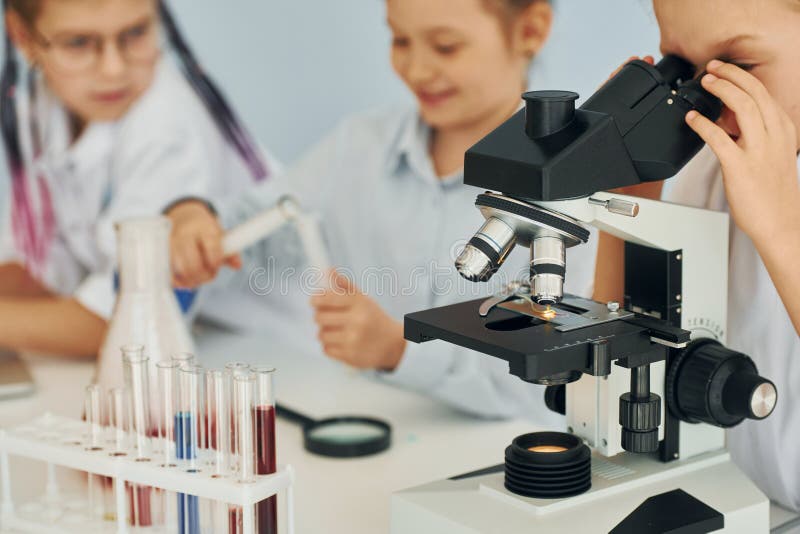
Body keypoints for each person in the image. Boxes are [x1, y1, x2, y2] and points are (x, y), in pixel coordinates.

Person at [168, 0, 596, 423]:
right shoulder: (360, 146)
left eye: (446, 46)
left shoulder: (573, 191)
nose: (416, 70)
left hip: (499, 459)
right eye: (400, 39)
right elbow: (256, 232)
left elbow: (550, 377)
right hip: (368, 430)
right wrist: (195, 218)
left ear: (530, 31)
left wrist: (398, 350)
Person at [594, 0, 800, 512]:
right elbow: (610, 354)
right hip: (742, 502)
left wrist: (780, 225)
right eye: (681, 70)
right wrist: (630, 198)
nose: (703, 99)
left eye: (741, 69)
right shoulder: (704, 168)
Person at [0, 0, 274, 357]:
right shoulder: (39, 109)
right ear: (23, 36)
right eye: (79, 43)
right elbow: (30, 272)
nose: (114, 69)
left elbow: (129, 322)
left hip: (275, 357)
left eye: (135, 32)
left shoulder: (168, 123)